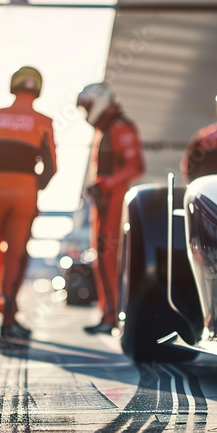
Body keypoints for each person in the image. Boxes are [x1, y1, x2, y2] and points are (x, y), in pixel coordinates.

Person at [0, 66, 56, 340]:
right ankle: (8, 319)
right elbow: (51, 167)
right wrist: (32, 188)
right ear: (37, 89)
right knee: (16, 256)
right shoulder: (44, 121)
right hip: (25, 194)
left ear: (13, 85)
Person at [76, 83, 145, 334]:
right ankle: (108, 314)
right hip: (103, 204)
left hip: (115, 203)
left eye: (88, 107)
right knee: (102, 260)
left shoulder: (120, 127)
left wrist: (107, 184)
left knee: (111, 260)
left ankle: (114, 316)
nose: (86, 114)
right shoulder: (103, 130)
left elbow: (135, 166)